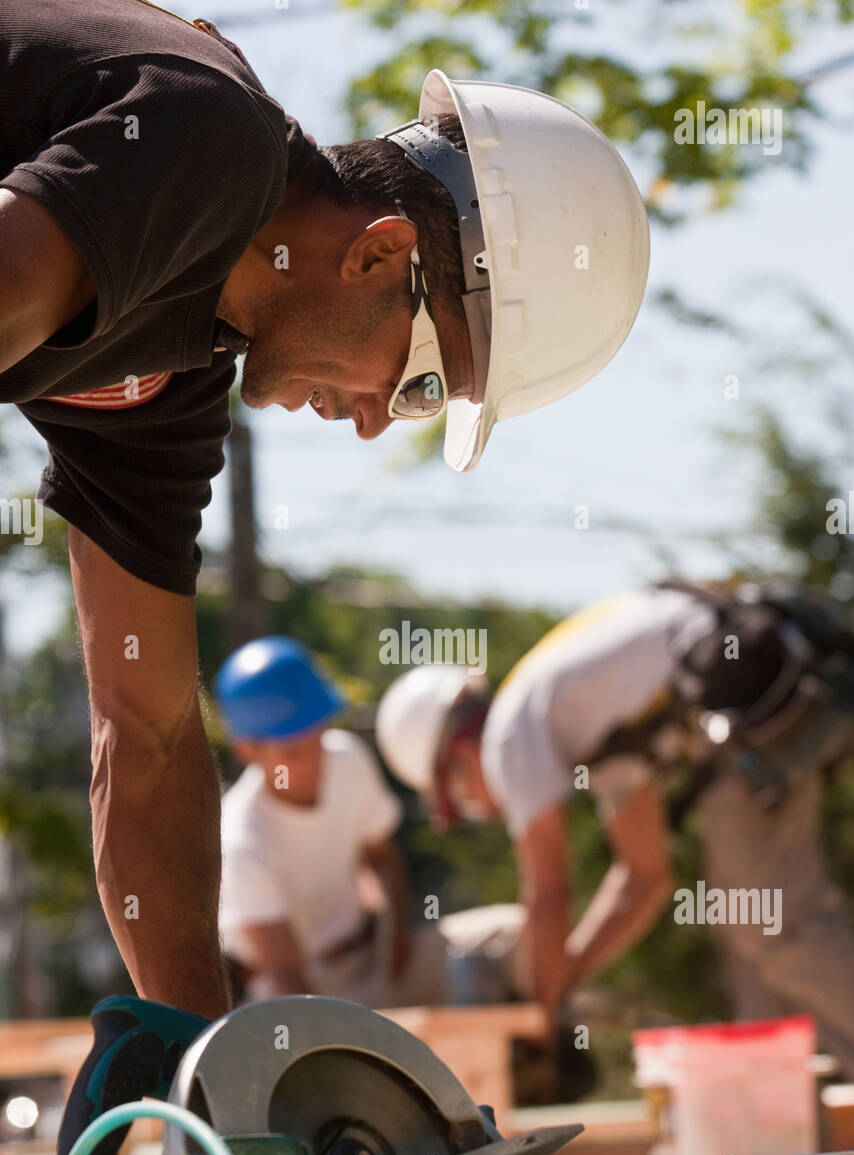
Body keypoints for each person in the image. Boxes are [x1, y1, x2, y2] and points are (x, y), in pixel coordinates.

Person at [0, 1, 649, 1015]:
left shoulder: (168, 380)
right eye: (422, 387)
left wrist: (195, 1057)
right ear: (379, 255)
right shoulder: (202, 136)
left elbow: (151, 732)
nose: (374, 427)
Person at [375, 582, 854, 1083]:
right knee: (749, 925)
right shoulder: (592, 727)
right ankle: (780, 1128)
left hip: (742, 696)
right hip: (751, 694)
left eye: (463, 803)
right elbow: (643, 879)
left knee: (776, 924)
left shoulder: (510, 736)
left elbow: (549, 896)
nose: (483, 809)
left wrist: (537, 1016)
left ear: (456, 759)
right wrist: (562, 979)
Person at [216, 636, 445, 1009]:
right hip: (306, 994)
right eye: (292, 750)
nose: (313, 760)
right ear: (247, 750)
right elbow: (287, 980)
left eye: (317, 736)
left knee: (502, 942)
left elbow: (382, 859)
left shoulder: (347, 759)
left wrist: (395, 943)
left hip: (375, 958)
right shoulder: (241, 839)